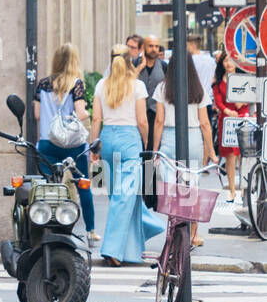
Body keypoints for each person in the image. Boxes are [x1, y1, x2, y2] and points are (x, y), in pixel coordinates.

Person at [90, 44, 164, 267]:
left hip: (107, 140)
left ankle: (132, 249)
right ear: (129, 61)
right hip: (130, 139)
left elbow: (95, 120)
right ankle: (113, 249)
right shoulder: (137, 85)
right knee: (124, 198)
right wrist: (146, 143)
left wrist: (93, 149)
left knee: (119, 196)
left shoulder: (102, 85)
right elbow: (142, 120)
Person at [32, 42, 97, 241]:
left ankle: (47, 228)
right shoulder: (76, 84)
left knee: (48, 187)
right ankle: (91, 230)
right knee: (83, 185)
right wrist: (90, 112)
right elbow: (81, 113)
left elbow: (36, 115)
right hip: (73, 145)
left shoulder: (42, 84)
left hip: (47, 143)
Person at [153, 66, 218, 248]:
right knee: (192, 185)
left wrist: (155, 148)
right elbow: (205, 123)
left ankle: (174, 230)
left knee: (171, 187)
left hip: (169, 137)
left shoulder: (162, 88)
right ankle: (193, 234)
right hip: (193, 137)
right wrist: (211, 152)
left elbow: (159, 121)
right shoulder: (198, 89)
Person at [212, 50, 248, 205]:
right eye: (225, 61)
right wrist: (226, 110)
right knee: (230, 156)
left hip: (242, 117)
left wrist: (244, 102)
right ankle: (232, 189)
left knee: (243, 155)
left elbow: (252, 94)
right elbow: (219, 101)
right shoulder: (218, 83)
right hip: (226, 120)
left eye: (232, 60)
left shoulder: (243, 79)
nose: (229, 64)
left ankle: (243, 189)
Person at [137, 36, 165, 132]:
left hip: (157, 114)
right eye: (150, 46)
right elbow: (128, 82)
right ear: (143, 47)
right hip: (138, 114)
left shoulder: (163, 66)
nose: (154, 49)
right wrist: (140, 67)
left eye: (156, 46)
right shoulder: (135, 63)